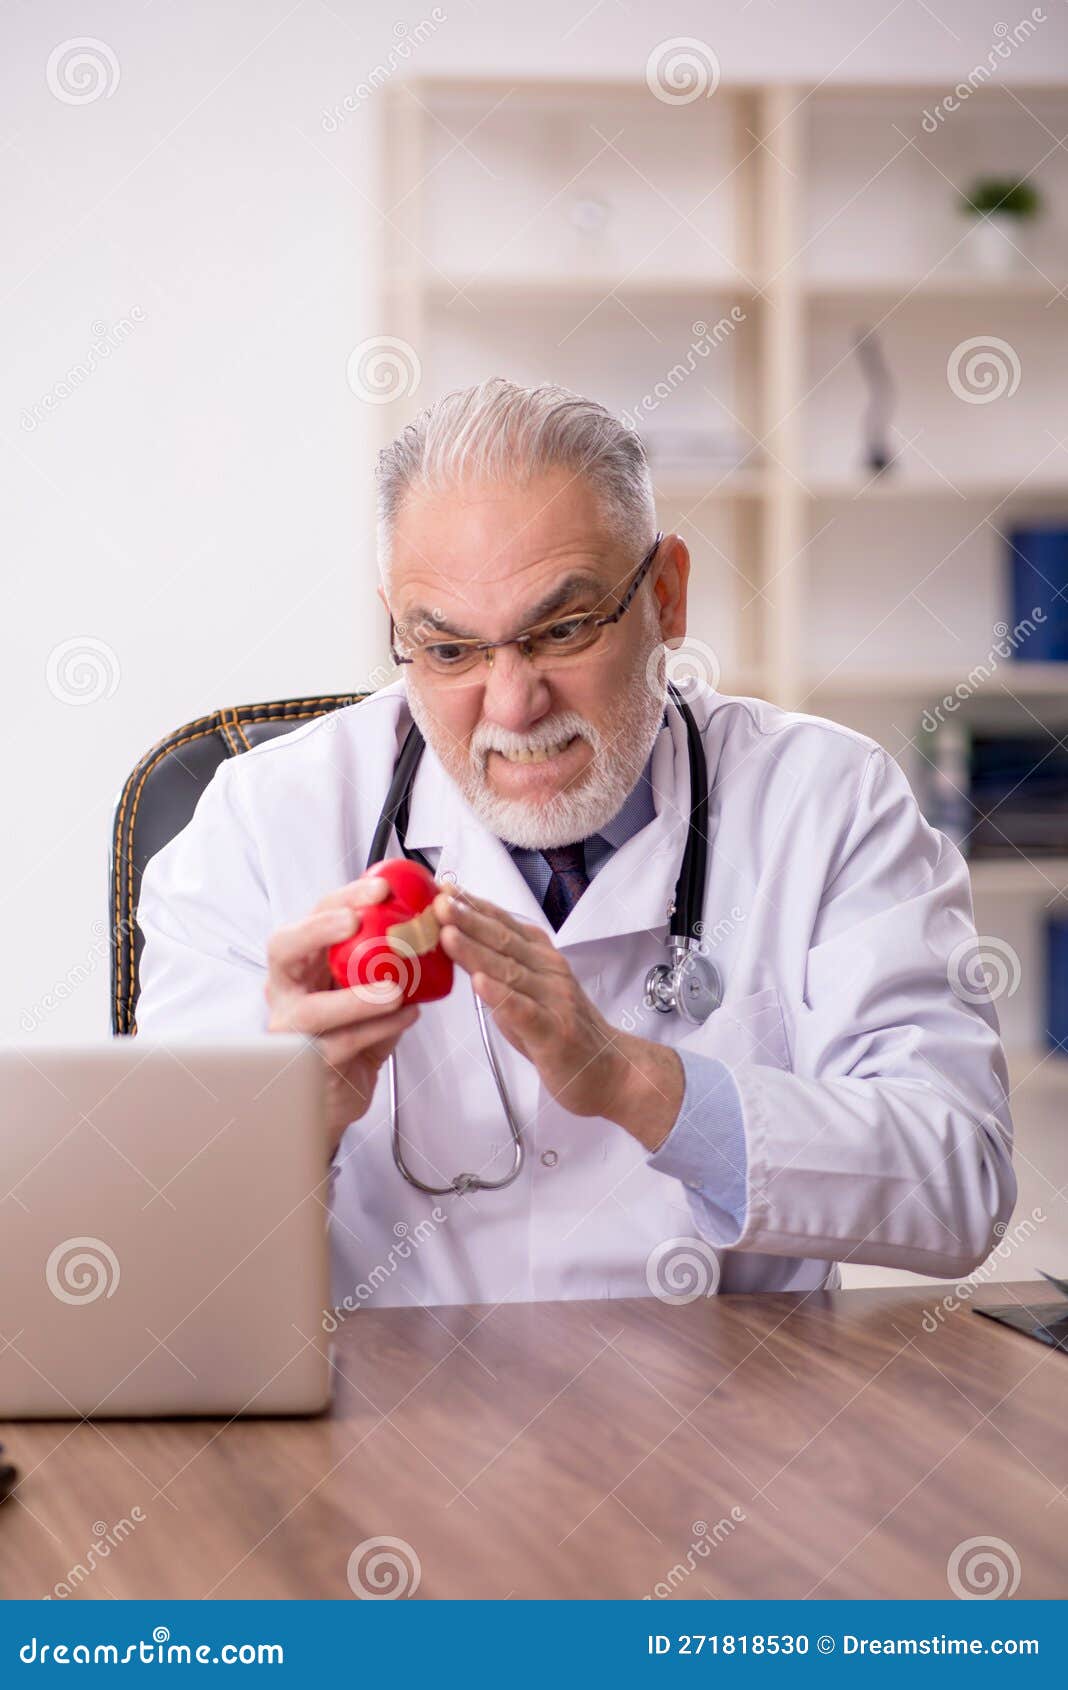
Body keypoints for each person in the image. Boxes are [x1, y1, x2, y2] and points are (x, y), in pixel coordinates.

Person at [135, 378, 1015, 1307]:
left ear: (667, 596)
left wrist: (635, 1081)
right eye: (448, 651)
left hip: (742, 1423)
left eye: (562, 630)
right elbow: (165, 1269)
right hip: (392, 1430)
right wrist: (288, 1122)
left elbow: (961, 1185)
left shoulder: (827, 799)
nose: (513, 704)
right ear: (397, 628)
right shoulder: (263, 821)